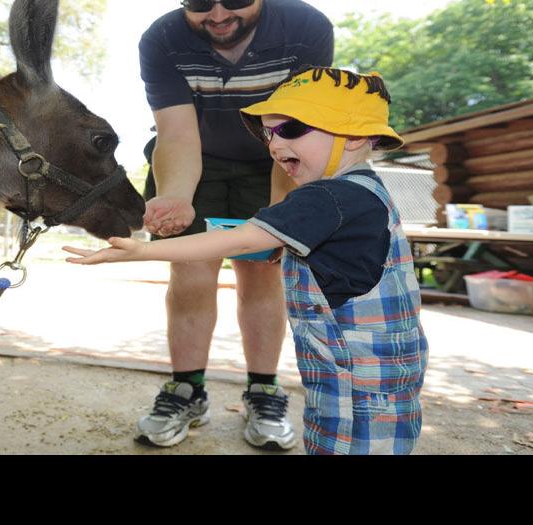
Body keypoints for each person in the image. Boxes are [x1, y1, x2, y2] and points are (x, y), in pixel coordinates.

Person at [65, 66, 430, 455]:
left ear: (355, 136)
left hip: (357, 380)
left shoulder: (328, 199)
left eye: (289, 129)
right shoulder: (364, 191)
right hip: (377, 371)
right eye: (267, 132)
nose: (273, 145)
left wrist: (144, 250)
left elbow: (240, 241)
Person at [136, 0, 333, 449]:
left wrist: (284, 214)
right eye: (201, 3)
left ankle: (263, 390)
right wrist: (178, 198)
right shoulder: (162, 38)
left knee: (263, 271)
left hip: (274, 155)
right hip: (195, 158)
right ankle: (187, 389)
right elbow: (177, 133)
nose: (219, 15)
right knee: (189, 270)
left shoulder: (307, 27)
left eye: (237, 0)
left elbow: (292, 128)